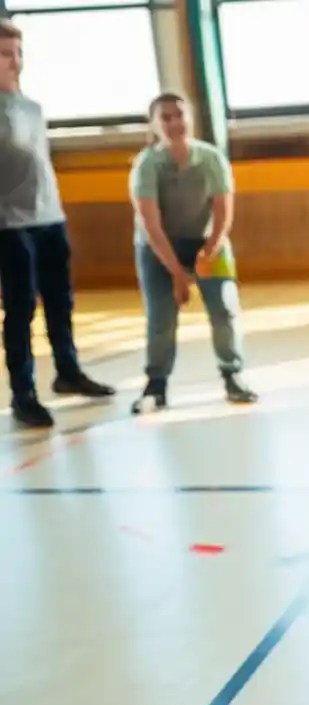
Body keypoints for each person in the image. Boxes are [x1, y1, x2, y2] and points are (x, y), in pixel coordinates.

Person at [0, 18, 115, 428]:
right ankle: (23, 393)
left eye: (17, 53)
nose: (14, 62)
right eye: (4, 54)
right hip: (10, 225)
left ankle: (68, 372)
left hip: (50, 218)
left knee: (61, 301)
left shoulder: (32, 108)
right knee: (20, 309)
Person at [127, 92, 256, 412]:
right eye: (165, 117)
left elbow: (223, 215)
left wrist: (208, 253)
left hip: (206, 241)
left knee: (224, 308)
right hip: (160, 248)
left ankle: (232, 374)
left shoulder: (211, 158)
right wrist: (178, 276)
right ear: (155, 125)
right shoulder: (147, 165)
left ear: (191, 118)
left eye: (179, 115)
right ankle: (156, 383)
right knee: (161, 317)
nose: (174, 123)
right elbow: (152, 226)